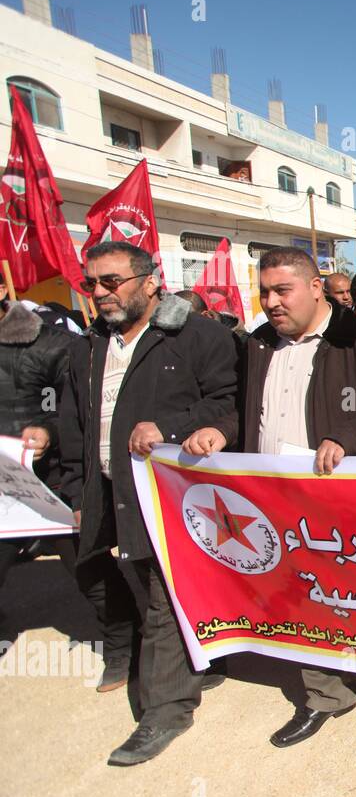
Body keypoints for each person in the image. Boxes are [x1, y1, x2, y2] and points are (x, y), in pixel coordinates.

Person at [182, 246, 356, 746]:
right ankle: (326, 694)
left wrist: (348, 440)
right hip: (272, 500)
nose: (271, 302)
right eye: (264, 292)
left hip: (344, 504)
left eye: (281, 290)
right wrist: (220, 432)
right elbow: (251, 411)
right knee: (300, 596)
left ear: (315, 288)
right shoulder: (256, 344)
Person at [61, 241, 238, 765]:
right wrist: (76, 489)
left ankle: (166, 710)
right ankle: (179, 654)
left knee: (164, 593)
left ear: (149, 281)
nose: (99, 293)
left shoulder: (197, 336)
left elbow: (227, 403)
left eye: (111, 281)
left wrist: (173, 428)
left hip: (166, 495)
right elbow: (75, 422)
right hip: (103, 491)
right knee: (102, 575)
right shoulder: (88, 346)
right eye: (91, 283)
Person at [0, 297, 84, 590]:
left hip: (48, 478)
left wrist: (50, 432)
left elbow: (77, 406)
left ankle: (123, 634)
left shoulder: (52, 344)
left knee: (88, 572)